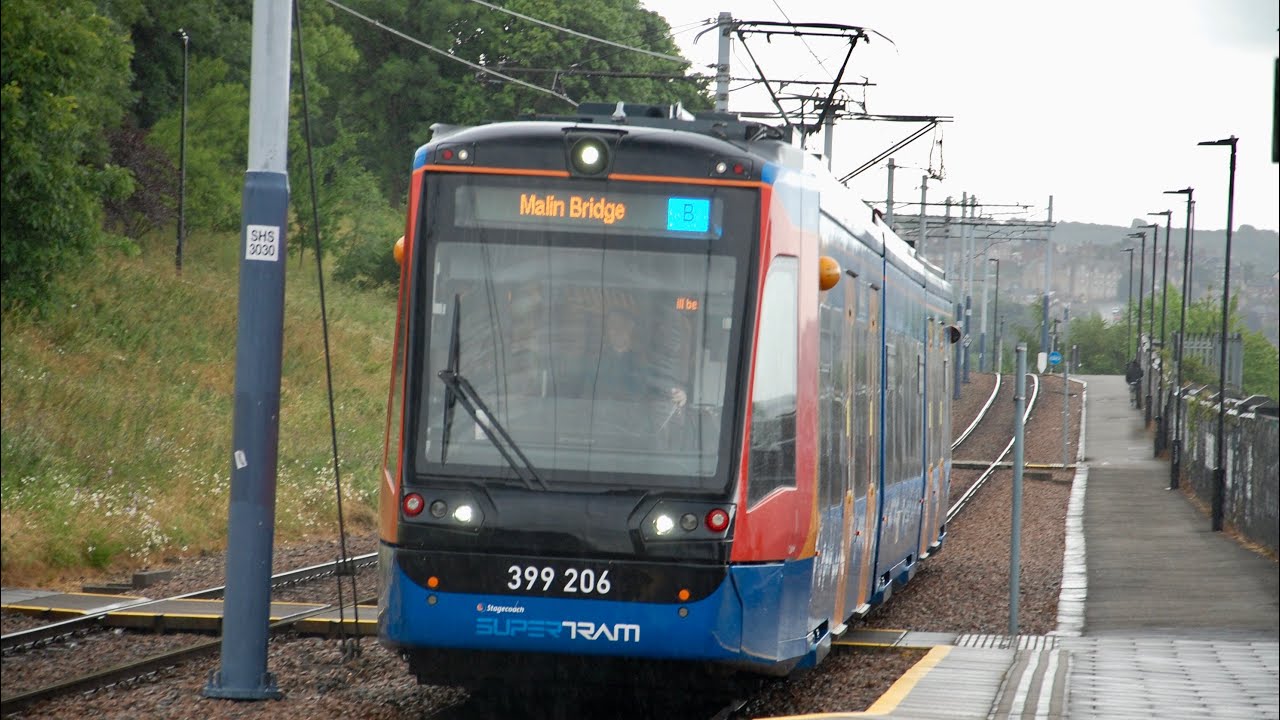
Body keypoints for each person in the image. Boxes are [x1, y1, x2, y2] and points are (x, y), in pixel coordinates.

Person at [596, 309, 687, 408]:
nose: (618, 331)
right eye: (613, 326)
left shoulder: (643, 362)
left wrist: (680, 393)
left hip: (636, 415)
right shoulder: (595, 362)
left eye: (622, 325)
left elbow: (661, 385)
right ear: (607, 331)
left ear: (630, 328)